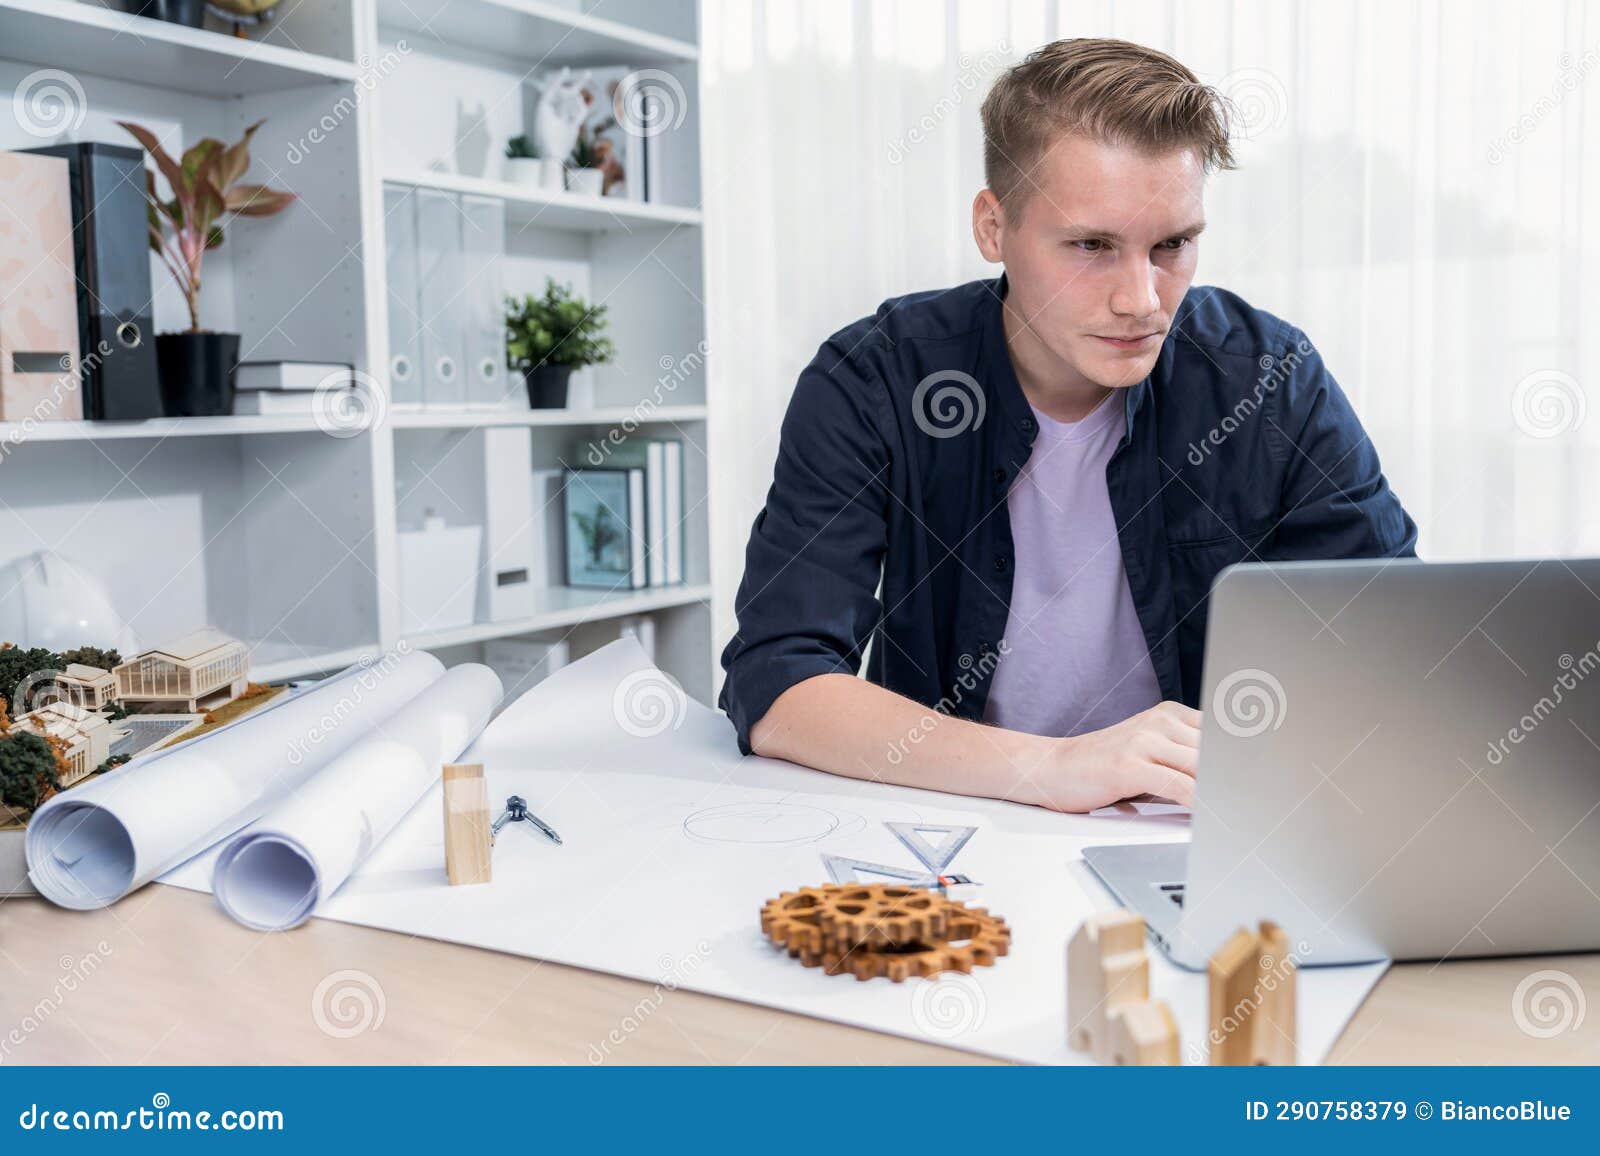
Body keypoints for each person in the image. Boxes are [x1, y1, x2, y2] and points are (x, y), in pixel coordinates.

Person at [719, 38, 1416, 813]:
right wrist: (1054, 770)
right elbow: (779, 686)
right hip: (959, 826)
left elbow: (1396, 648)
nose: (1141, 301)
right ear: (994, 227)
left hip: (1192, 831)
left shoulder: (1269, 378)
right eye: (1092, 245)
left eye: (1173, 245)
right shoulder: (875, 380)